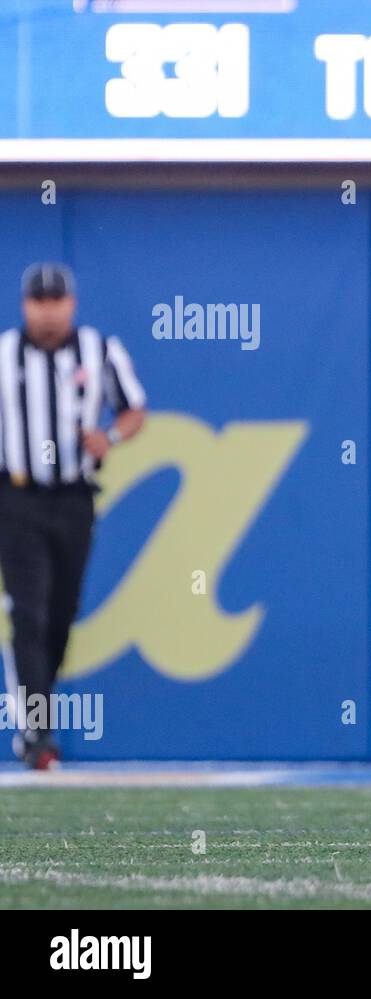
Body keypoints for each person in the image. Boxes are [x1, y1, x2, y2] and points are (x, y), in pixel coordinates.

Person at [0, 263, 147, 768]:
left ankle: (36, 713)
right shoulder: (3, 355)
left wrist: (111, 436)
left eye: (55, 300)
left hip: (74, 497)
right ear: (25, 306)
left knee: (60, 615)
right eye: (38, 301)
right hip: (16, 497)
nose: (47, 310)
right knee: (28, 614)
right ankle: (36, 734)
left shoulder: (99, 350)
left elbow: (133, 411)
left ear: (72, 303)